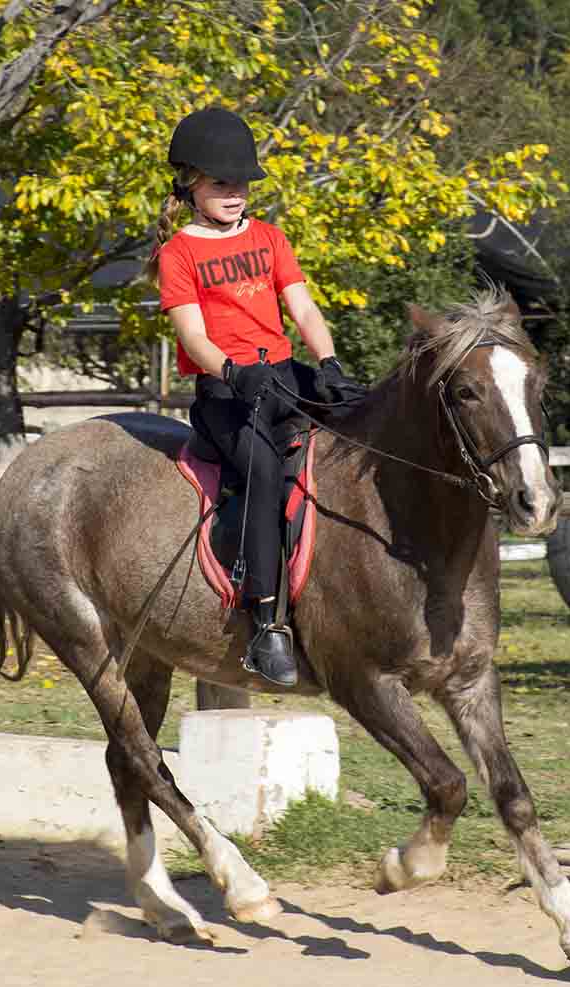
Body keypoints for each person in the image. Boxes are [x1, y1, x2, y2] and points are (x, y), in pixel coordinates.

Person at [149, 106, 364, 686]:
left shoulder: (270, 238)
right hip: (227, 394)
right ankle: (267, 622)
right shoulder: (179, 254)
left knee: (359, 435)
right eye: (222, 184)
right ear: (190, 183)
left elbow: (303, 307)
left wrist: (329, 363)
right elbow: (191, 332)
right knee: (264, 475)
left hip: (282, 380)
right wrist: (231, 370)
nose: (236, 194)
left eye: (242, 183)